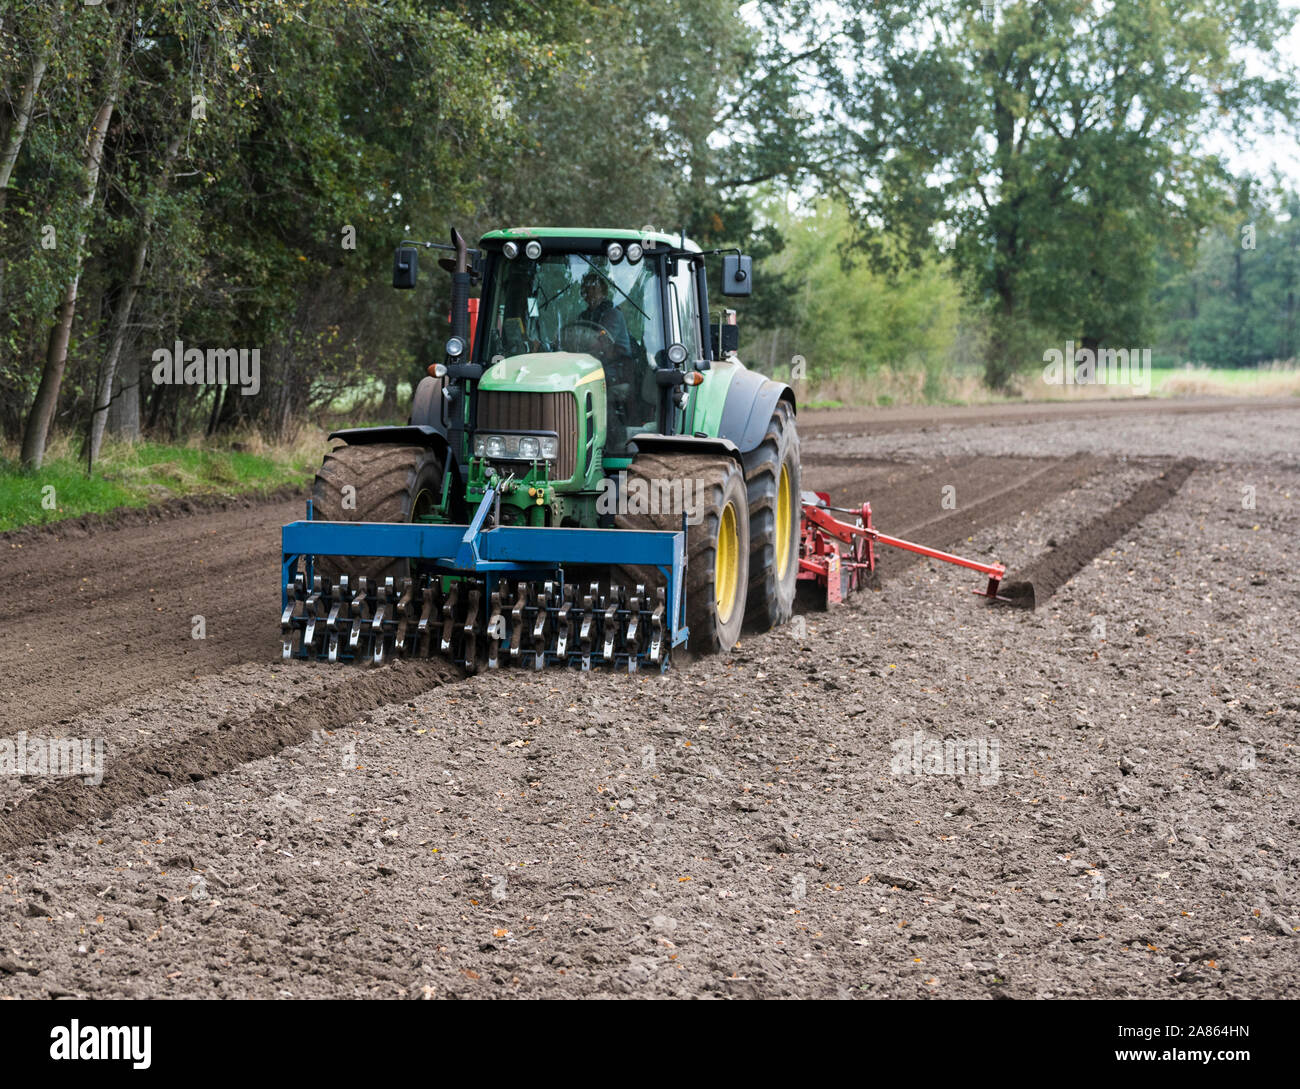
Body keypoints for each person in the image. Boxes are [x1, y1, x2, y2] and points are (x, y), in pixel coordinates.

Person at [577, 272, 631, 358]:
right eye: (586, 289)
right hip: (592, 361)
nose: (590, 293)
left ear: (603, 294)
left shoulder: (613, 314)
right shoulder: (583, 317)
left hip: (616, 364)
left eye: (594, 289)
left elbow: (600, 343)